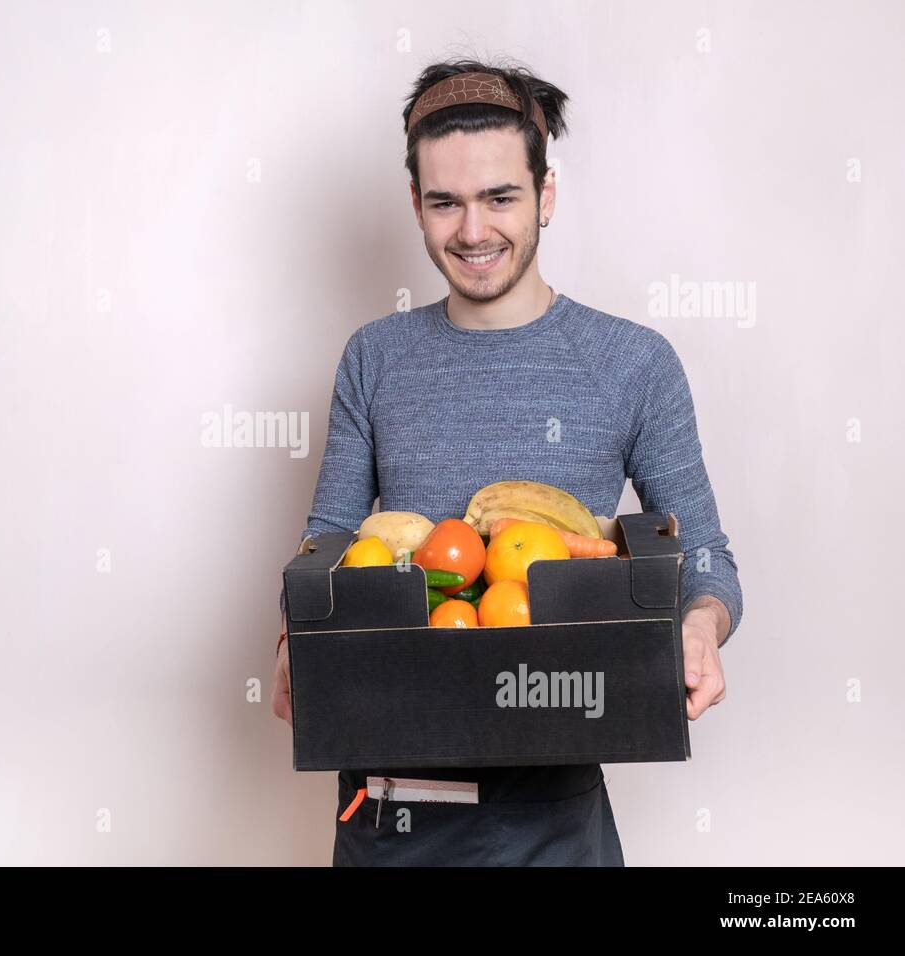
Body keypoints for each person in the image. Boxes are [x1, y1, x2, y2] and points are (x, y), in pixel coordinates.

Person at [271, 58, 742, 866]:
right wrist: (293, 639)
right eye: (446, 202)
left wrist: (700, 626)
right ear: (415, 204)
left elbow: (705, 560)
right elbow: (331, 541)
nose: (473, 231)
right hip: (394, 801)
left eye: (500, 197)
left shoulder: (631, 363)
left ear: (545, 195)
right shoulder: (374, 358)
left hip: (553, 806)